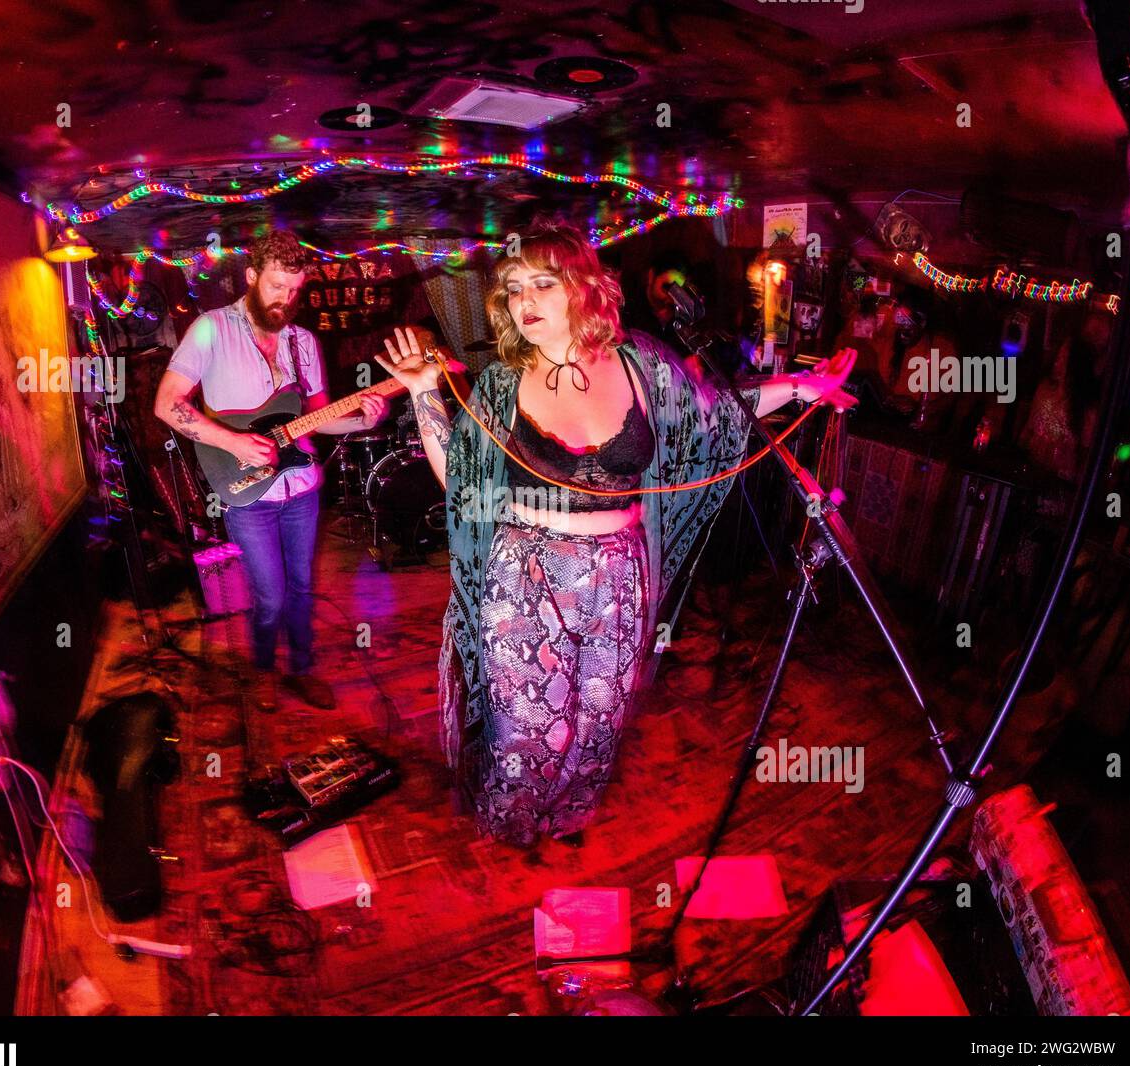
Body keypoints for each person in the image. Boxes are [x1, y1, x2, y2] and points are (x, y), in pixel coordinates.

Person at [375, 217, 855, 847]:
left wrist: (801, 386)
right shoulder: (499, 383)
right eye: (513, 289)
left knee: (599, 716)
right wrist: (422, 396)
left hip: (621, 574)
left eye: (541, 284)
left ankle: (569, 815)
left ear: (583, 288)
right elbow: (460, 481)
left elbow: (711, 411)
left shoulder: (642, 366)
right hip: (527, 574)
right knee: (529, 724)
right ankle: (513, 831)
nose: (524, 303)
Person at [154, 230, 389, 711]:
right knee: (272, 597)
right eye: (277, 286)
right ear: (252, 276)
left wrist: (364, 416)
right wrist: (233, 440)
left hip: (301, 488)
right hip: (247, 494)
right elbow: (166, 403)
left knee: (302, 587)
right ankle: (262, 670)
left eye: (296, 289)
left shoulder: (303, 342)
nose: (287, 299)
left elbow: (320, 417)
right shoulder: (210, 329)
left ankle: (300, 668)